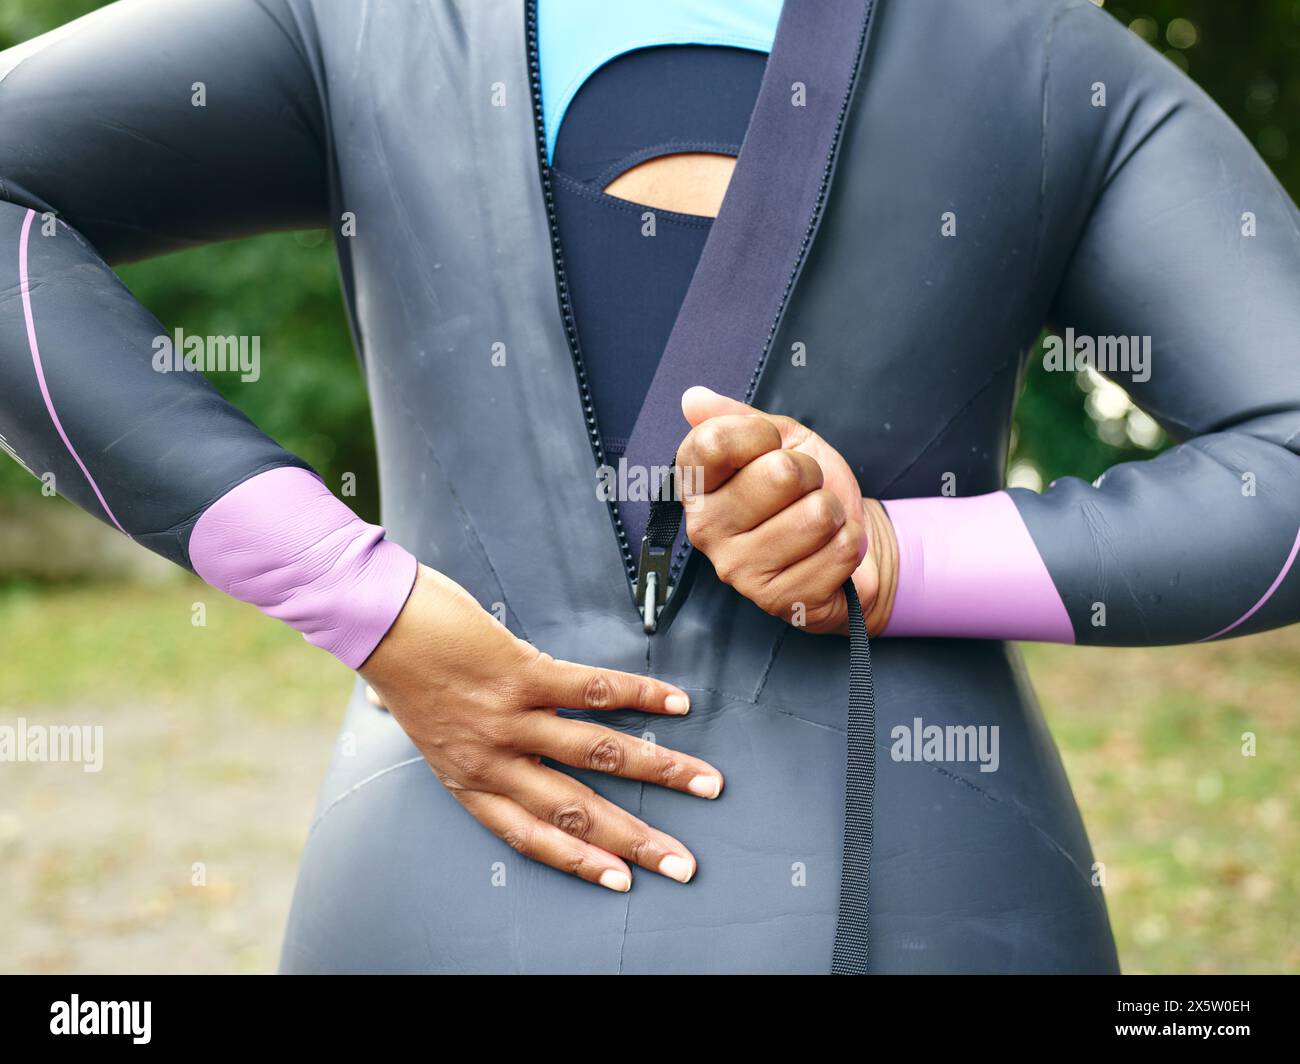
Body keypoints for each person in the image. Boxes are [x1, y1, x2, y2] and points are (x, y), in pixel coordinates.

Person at [1, 0, 1296, 974]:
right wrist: (362, 600)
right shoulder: (1040, 51)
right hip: (934, 889)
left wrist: (362, 602)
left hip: (464, 891)